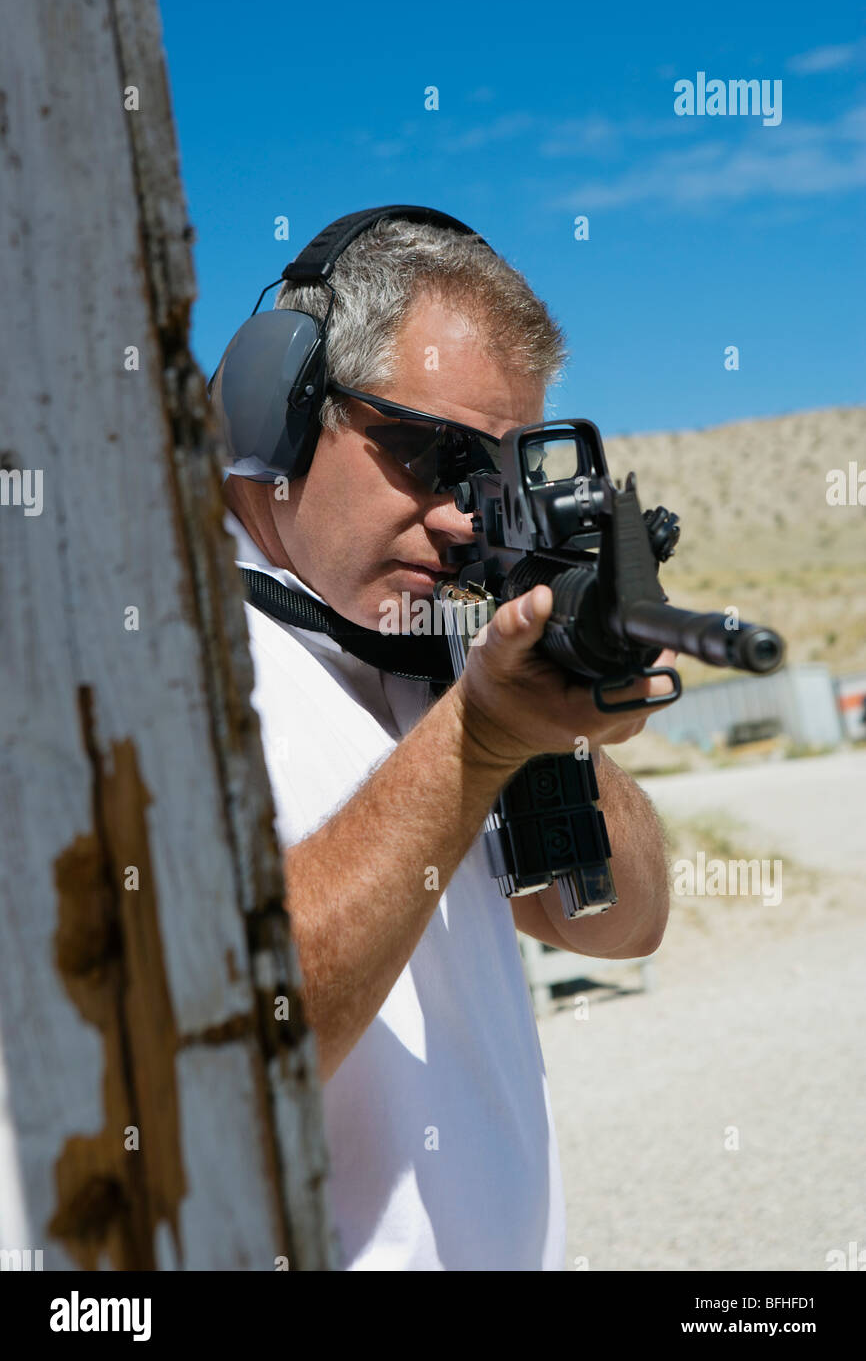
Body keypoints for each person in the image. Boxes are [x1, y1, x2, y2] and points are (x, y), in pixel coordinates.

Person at [220, 214, 676, 1271]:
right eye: (432, 455)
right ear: (280, 408)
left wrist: (555, 707)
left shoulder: (433, 653)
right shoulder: (151, 663)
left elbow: (622, 924)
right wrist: (480, 737)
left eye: (494, 480)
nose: (466, 520)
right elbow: (233, 1043)